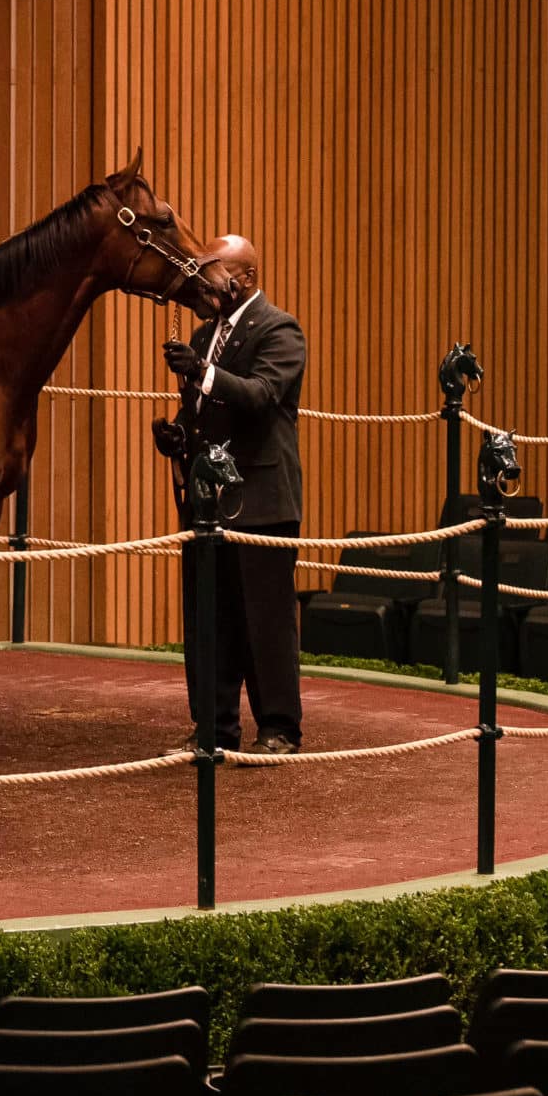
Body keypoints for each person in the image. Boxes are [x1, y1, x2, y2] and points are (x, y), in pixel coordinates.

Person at [164, 234, 307, 756]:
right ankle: (213, 728)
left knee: (265, 622)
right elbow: (202, 411)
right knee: (209, 620)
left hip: (263, 500)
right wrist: (178, 435)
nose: (204, 282)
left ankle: (278, 728)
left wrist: (202, 372)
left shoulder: (279, 330)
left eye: (212, 272)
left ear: (243, 278)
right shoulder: (204, 335)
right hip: (207, 500)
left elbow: (262, 396)